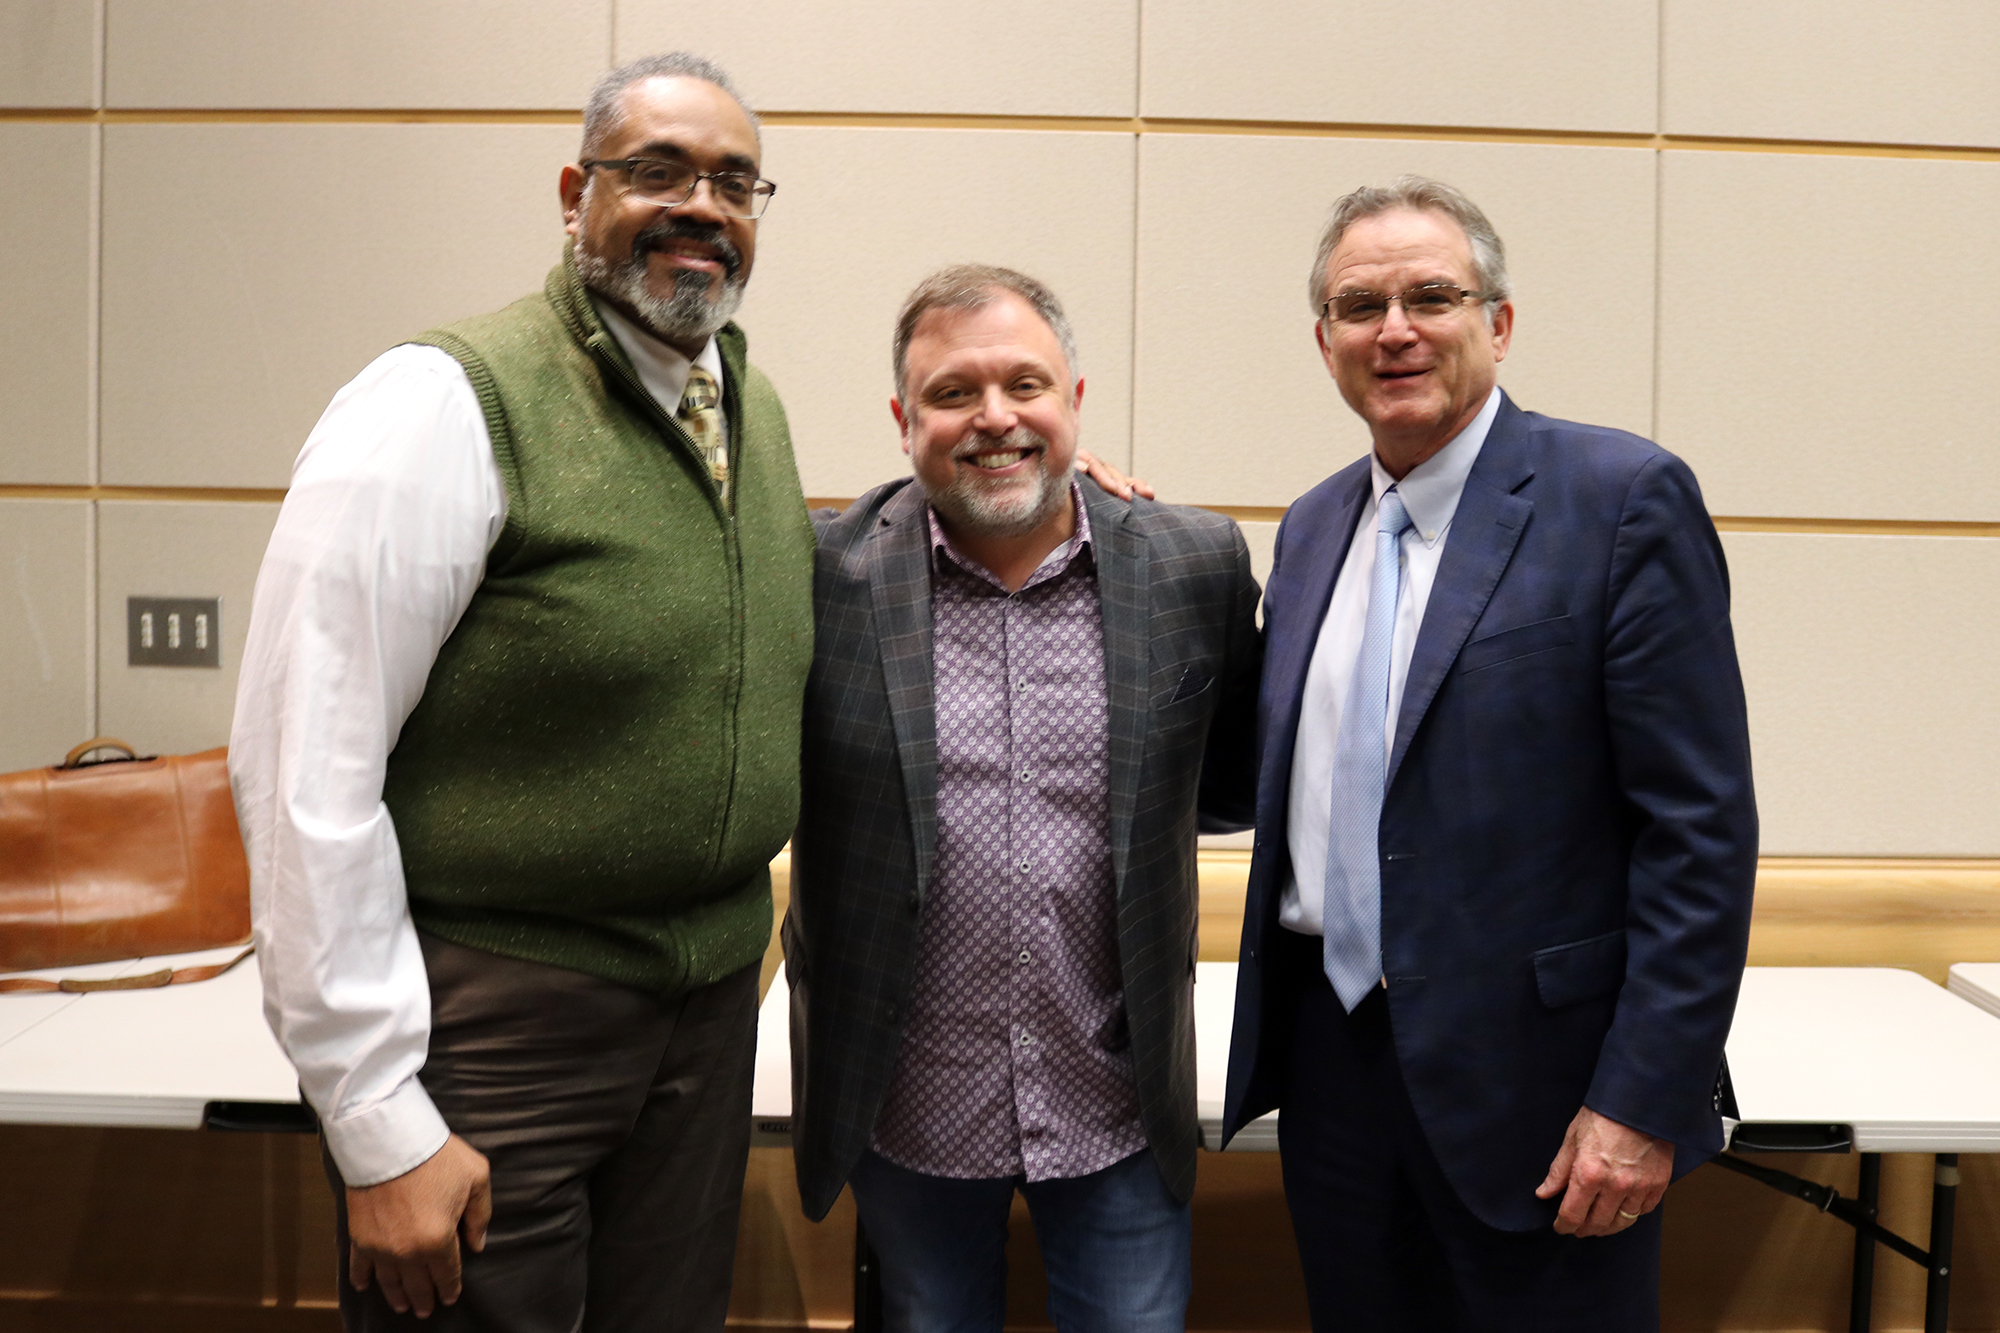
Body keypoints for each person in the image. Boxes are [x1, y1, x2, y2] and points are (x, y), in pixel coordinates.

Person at [229, 53, 814, 1333]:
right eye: (655, 170)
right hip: (499, 1035)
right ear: (573, 194)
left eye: (732, 182)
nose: (699, 206)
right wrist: (377, 1122)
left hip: (703, 1023)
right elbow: (302, 768)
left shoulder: (747, 407)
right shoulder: (439, 403)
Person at [1220, 176, 1757, 1329]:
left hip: (1546, 1095)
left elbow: (1698, 832)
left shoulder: (1618, 499)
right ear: (1324, 344)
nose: (1394, 329)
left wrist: (1640, 1099)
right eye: (1359, 306)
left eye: (1430, 295)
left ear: (1497, 323)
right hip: (1333, 1075)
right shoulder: (1314, 527)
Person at [786, 264, 1261, 1333]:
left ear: (1076, 403)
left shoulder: (1192, 564)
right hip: (904, 1109)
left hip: (1116, 1105)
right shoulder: (819, 576)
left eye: (1025, 386)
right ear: (903, 422)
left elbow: (1226, 785)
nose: (993, 416)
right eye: (953, 394)